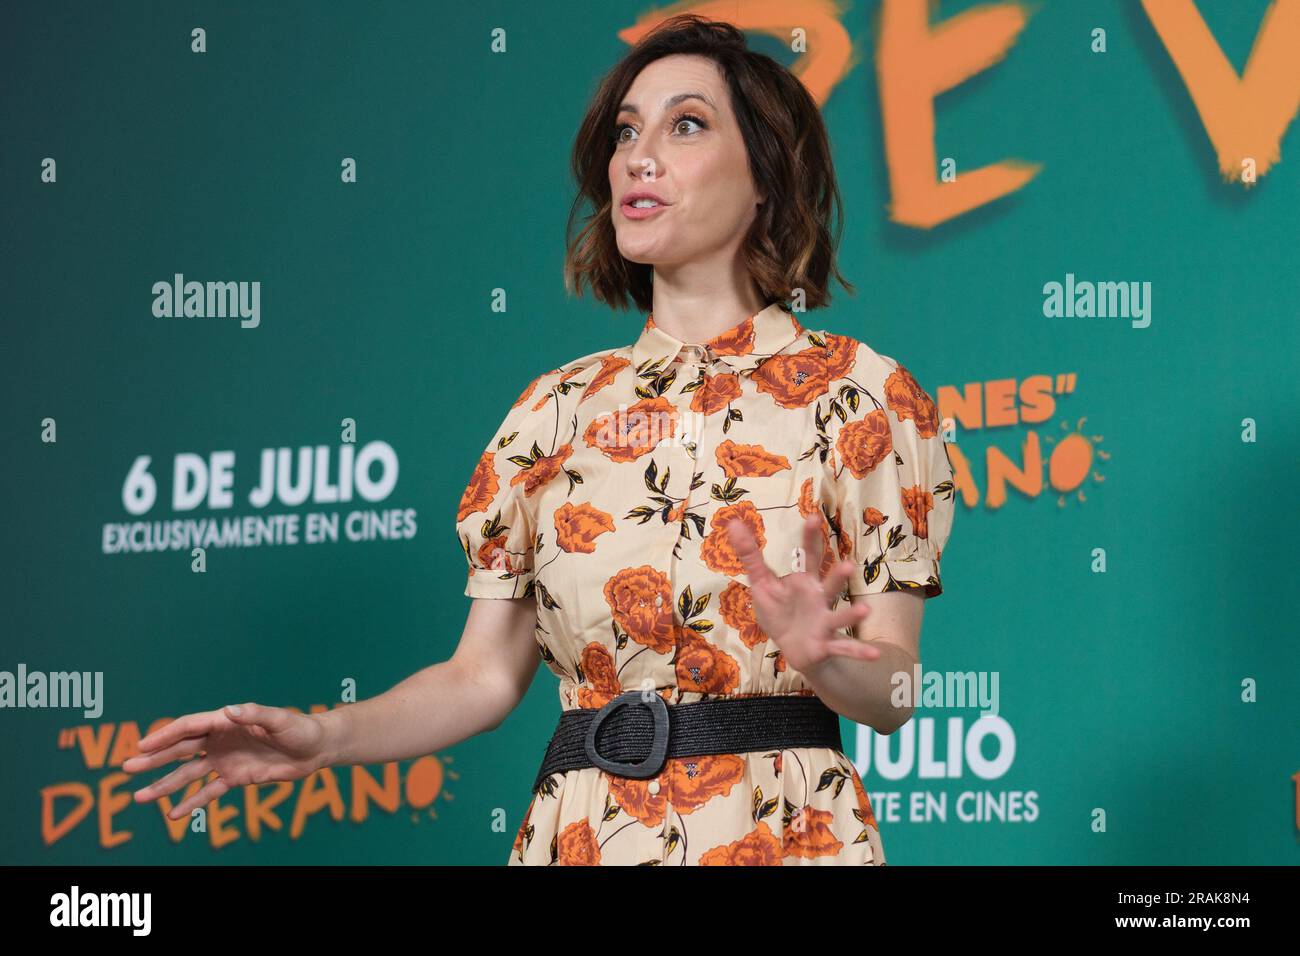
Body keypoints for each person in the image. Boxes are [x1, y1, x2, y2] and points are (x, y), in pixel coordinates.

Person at [125, 14, 956, 866]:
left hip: (784, 836)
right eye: (625, 131)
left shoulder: (860, 393)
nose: (638, 157)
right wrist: (324, 738)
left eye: (686, 125)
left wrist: (824, 659)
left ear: (765, 181)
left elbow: (896, 691)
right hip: (583, 837)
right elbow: (481, 676)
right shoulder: (554, 410)